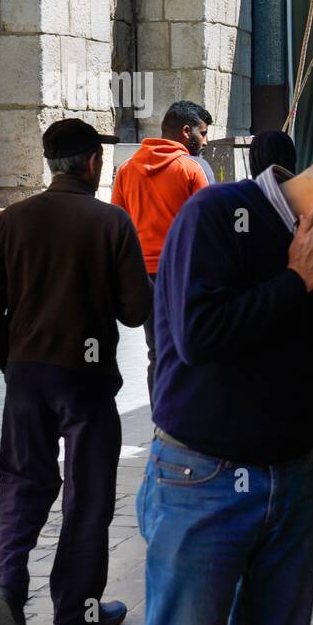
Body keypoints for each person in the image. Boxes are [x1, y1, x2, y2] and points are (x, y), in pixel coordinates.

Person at [137, 144, 313, 625]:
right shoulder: (214, 214)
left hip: (292, 482)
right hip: (201, 480)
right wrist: (294, 281)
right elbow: (198, 337)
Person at [0, 119, 153, 625]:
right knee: (88, 492)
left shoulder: (13, 220)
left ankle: (4, 583)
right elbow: (137, 310)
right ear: (93, 162)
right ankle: (77, 610)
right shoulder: (111, 222)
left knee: (23, 481)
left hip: (27, 376)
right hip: (86, 379)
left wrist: (14, 362)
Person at [111, 100, 211, 402]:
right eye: (202, 133)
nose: (204, 141)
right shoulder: (190, 169)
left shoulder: (127, 171)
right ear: (185, 132)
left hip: (144, 277)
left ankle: (161, 421)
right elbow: (210, 227)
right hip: (184, 274)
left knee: (156, 351)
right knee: (191, 347)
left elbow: (119, 226)